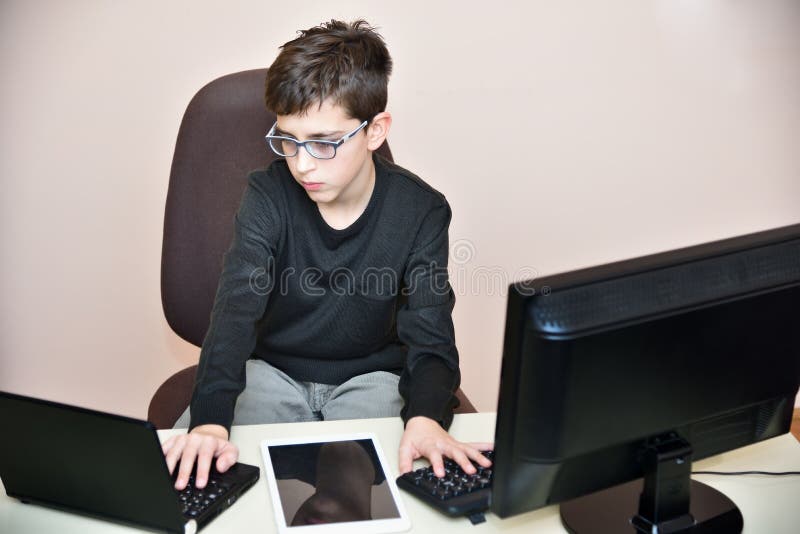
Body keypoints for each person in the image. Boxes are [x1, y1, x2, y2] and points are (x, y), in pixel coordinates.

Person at [162, 19, 492, 491]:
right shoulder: (267, 195)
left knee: (403, 491)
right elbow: (235, 309)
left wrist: (424, 415)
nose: (302, 164)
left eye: (323, 142)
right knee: (193, 481)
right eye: (287, 140)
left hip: (373, 380)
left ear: (375, 131)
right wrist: (211, 420)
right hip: (269, 374)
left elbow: (430, 333)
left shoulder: (421, 211)